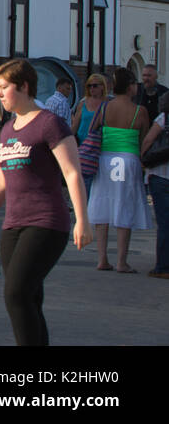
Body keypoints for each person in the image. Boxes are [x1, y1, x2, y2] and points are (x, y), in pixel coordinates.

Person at [0, 58, 91, 346]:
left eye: (3, 87)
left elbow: (72, 173)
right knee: (30, 298)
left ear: (24, 86)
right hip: (13, 225)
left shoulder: (51, 124)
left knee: (16, 293)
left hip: (47, 223)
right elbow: (0, 182)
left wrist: (83, 221)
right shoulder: (9, 129)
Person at [87, 67, 153, 272]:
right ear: (131, 86)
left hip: (106, 159)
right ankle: (122, 261)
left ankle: (102, 258)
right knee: (124, 204)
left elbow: (92, 130)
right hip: (128, 160)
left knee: (103, 203)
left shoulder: (105, 108)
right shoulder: (139, 111)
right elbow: (144, 139)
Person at [140, 105, 169, 278]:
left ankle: (162, 267)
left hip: (159, 175)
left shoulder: (163, 118)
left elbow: (148, 140)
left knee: (164, 223)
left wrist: (143, 160)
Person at [74, 74, 108, 195]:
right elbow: (75, 126)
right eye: (89, 86)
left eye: (95, 85)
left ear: (102, 87)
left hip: (99, 148)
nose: (92, 88)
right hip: (83, 147)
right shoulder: (83, 104)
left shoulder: (107, 104)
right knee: (85, 184)